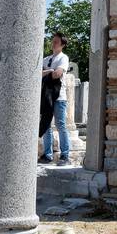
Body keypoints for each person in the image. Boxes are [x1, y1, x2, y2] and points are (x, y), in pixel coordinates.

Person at [40, 31, 71, 165]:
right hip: (46, 97)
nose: (53, 44)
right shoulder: (46, 59)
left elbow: (58, 74)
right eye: (53, 41)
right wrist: (50, 71)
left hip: (59, 97)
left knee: (60, 125)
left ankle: (65, 156)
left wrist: (47, 72)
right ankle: (48, 155)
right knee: (46, 125)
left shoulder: (63, 58)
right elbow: (37, 74)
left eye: (56, 42)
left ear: (62, 44)